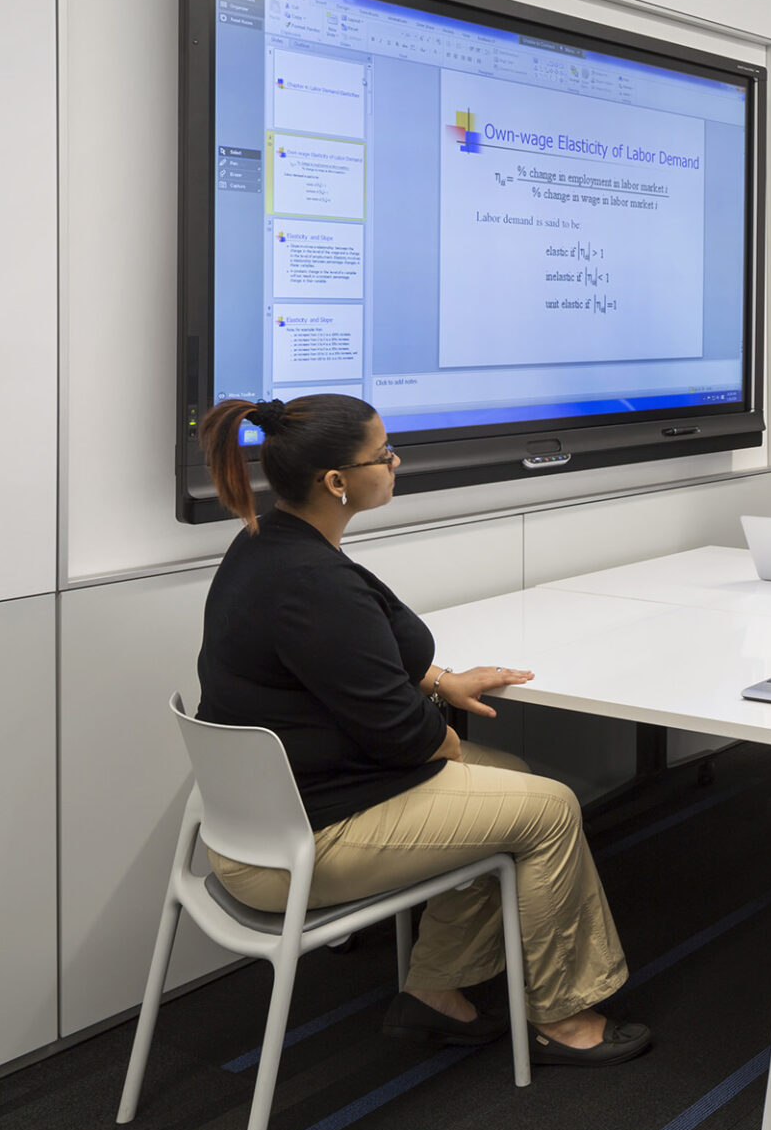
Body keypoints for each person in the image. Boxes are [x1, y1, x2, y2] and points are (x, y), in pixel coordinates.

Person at [193, 393, 651, 1067]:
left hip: (272, 812)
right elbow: (408, 738)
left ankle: (435, 993)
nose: (394, 461)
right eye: (383, 455)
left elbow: (349, 666)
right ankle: (564, 1015)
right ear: (337, 482)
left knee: (513, 779)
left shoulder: (271, 545)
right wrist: (447, 742)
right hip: (297, 843)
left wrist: (439, 682)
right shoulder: (311, 582)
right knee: (548, 809)